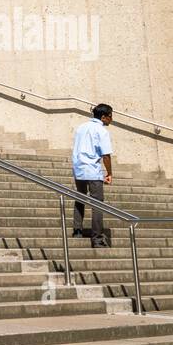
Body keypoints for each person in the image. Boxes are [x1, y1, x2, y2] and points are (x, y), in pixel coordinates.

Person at [72, 103, 113, 248]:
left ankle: (77, 230)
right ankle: (97, 238)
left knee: (80, 199)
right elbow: (106, 155)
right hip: (93, 171)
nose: (111, 119)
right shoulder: (101, 130)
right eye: (110, 116)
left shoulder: (81, 128)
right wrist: (109, 173)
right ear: (103, 117)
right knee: (97, 204)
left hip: (79, 169)